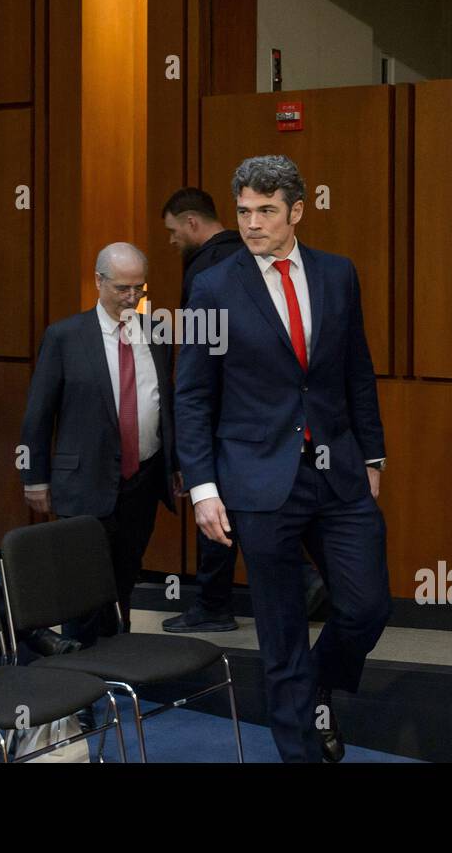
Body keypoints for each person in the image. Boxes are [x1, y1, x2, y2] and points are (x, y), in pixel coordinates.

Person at [175, 155, 390, 763]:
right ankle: (301, 753)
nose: (251, 223)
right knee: (281, 634)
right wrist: (203, 489)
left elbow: (357, 372)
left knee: (368, 606)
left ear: (297, 210)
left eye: (266, 211)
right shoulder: (212, 284)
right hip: (255, 478)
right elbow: (192, 395)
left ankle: (318, 687)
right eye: (243, 211)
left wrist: (372, 456)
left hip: (339, 472)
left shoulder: (337, 274)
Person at [159, 188, 327, 634]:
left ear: (194, 223)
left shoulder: (210, 272)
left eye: (174, 233)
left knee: (221, 505)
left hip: (230, 415)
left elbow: (202, 362)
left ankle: (219, 601)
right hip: (274, 418)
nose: (172, 242)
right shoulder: (246, 259)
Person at [19, 243, 180, 645]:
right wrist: (34, 477)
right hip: (84, 478)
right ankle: (81, 678)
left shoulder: (157, 332)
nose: (131, 297)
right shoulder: (65, 336)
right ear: (98, 281)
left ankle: (115, 655)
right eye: (122, 288)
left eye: (138, 289)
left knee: (125, 574)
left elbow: (167, 404)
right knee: (83, 582)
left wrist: (176, 465)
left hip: (142, 480)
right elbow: (39, 411)